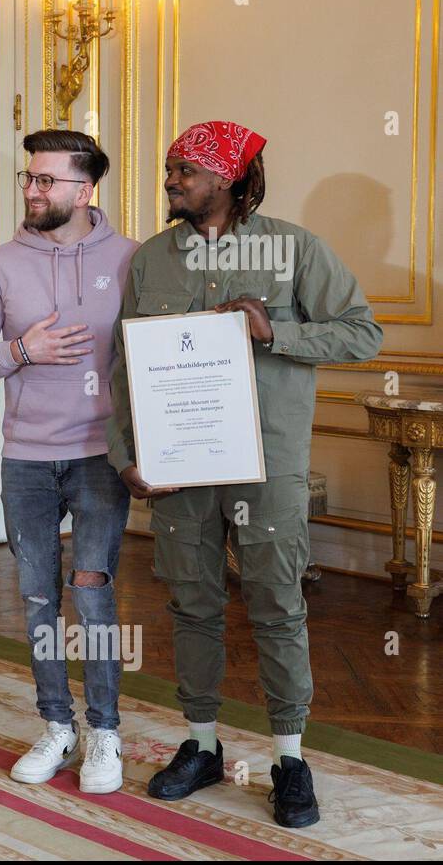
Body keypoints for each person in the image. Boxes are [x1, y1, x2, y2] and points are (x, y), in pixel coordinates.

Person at [108, 121, 383, 827]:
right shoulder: (151, 260)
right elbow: (124, 365)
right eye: (169, 167)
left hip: (267, 465)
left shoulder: (292, 248)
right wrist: (126, 454)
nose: (171, 179)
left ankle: (290, 758)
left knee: (276, 602)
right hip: (179, 472)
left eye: (185, 170)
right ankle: (200, 743)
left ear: (227, 180)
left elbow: (362, 331)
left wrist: (276, 332)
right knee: (191, 605)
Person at [0, 129, 137, 793]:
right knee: (38, 598)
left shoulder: (130, 259)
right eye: (28, 179)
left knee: (91, 593)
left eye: (46, 181)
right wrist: (22, 349)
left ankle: (105, 730)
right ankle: (57, 725)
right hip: (27, 459)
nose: (32, 190)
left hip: (99, 454)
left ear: (86, 190)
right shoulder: (2, 263)